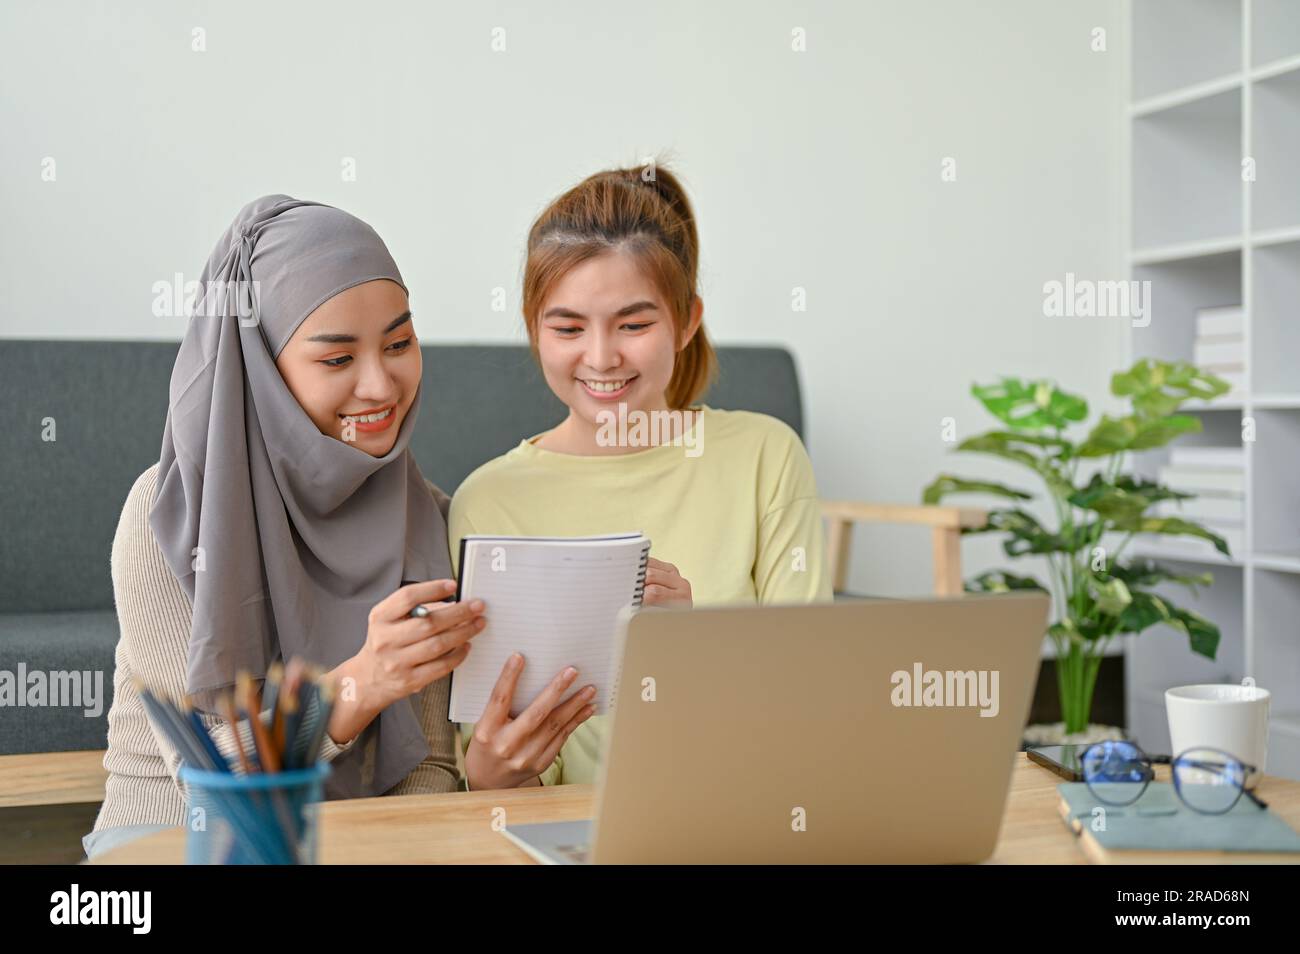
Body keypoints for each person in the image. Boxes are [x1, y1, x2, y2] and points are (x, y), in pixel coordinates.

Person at [85, 195, 496, 858]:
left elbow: (429, 770)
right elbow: (211, 786)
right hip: (174, 840)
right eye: (337, 360)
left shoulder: (422, 507)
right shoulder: (167, 515)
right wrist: (357, 687)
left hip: (361, 847)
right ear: (259, 369)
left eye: (399, 343)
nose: (381, 386)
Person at [450, 164, 833, 790]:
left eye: (633, 324)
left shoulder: (765, 456)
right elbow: (504, 782)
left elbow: (812, 706)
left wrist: (692, 654)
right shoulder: (489, 502)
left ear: (686, 321)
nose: (601, 357)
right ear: (533, 329)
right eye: (568, 328)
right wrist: (493, 773)